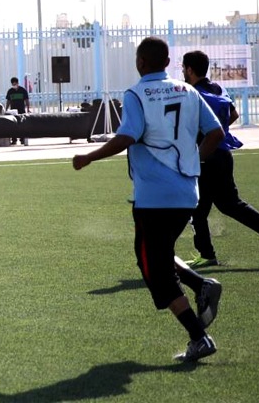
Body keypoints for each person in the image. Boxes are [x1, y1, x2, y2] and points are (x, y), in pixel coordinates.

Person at [72, 37, 226, 362]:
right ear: (168, 62)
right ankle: (201, 286)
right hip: (187, 194)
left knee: (152, 267)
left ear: (140, 62)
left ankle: (200, 336)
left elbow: (127, 136)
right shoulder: (189, 91)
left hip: (154, 196)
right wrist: (193, 161)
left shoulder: (136, 93)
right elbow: (216, 133)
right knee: (158, 254)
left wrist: (90, 156)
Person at [181, 50, 259, 266]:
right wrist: (219, 130)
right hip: (223, 154)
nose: (182, 71)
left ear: (189, 69)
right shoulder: (219, 88)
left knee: (197, 209)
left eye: (183, 68)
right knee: (230, 204)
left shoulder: (192, 93)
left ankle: (207, 255)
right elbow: (234, 114)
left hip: (204, 156)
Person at [6, 77, 30, 144]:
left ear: (17, 83)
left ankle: (22, 139)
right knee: (13, 125)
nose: (14, 85)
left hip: (21, 110)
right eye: (13, 84)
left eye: (15, 84)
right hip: (13, 110)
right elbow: (8, 101)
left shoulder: (23, 90)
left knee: (22, 125)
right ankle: (14, 139)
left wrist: (28, 108)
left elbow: (27, 100)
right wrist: (6, 108)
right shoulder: (10, 91)